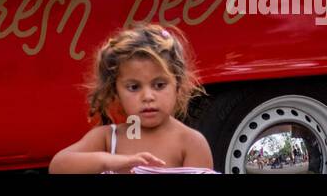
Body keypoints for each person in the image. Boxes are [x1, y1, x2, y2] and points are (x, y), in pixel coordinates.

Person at [49, 24, 213, 173]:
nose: (148, 97)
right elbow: (57, 167)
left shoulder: (190, 142)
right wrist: (110, 161)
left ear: (177, 85)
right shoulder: (108, 138)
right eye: (134, 87)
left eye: (159, 85)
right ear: (115, 91)